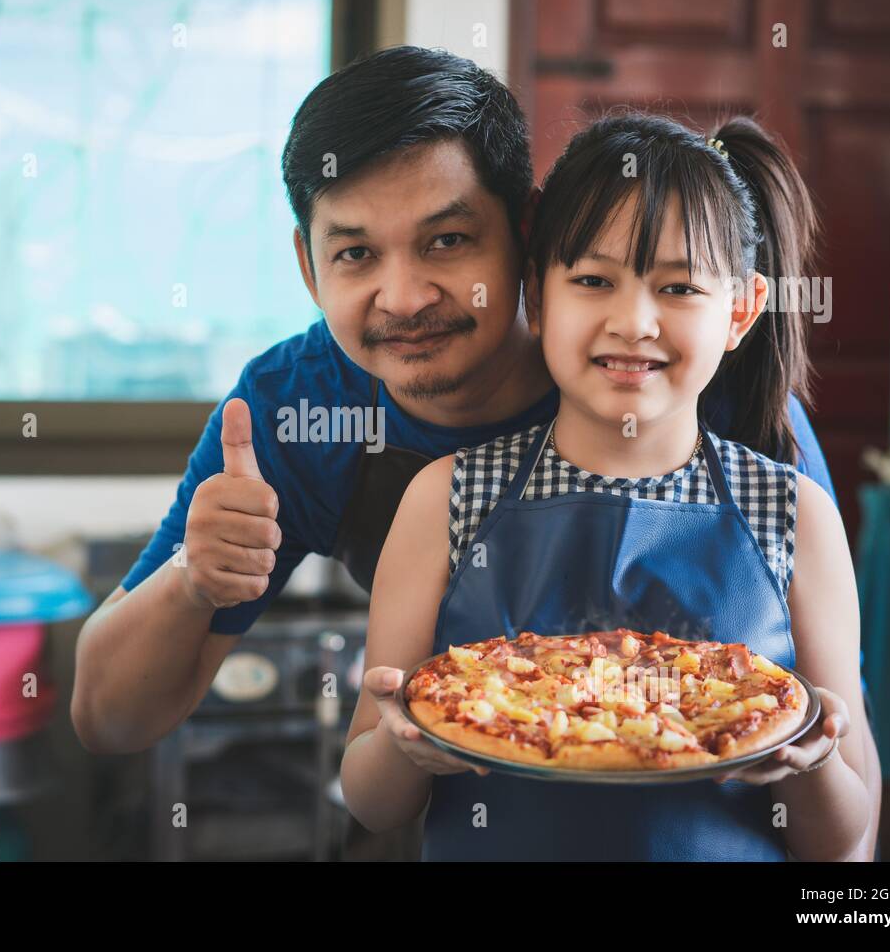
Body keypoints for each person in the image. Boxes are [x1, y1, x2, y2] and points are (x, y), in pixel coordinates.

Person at [70, 48, 837, 767]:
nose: (403, 298)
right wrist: (191, 579)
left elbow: (833, 732)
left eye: (446, 241)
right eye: (355, 254)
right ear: (309, 267)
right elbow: (107, 717)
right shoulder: (291, 408)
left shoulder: (692, 379)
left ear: (526, 236)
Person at [340, 112, 878, 860]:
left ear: (742, 310)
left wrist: (809, 759)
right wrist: (405, 741)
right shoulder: (444, 498)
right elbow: (373, 801)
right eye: (594, 280)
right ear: (536, 292)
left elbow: (848, 838)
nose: (633, 321)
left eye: (680, 286)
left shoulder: (794, 514)